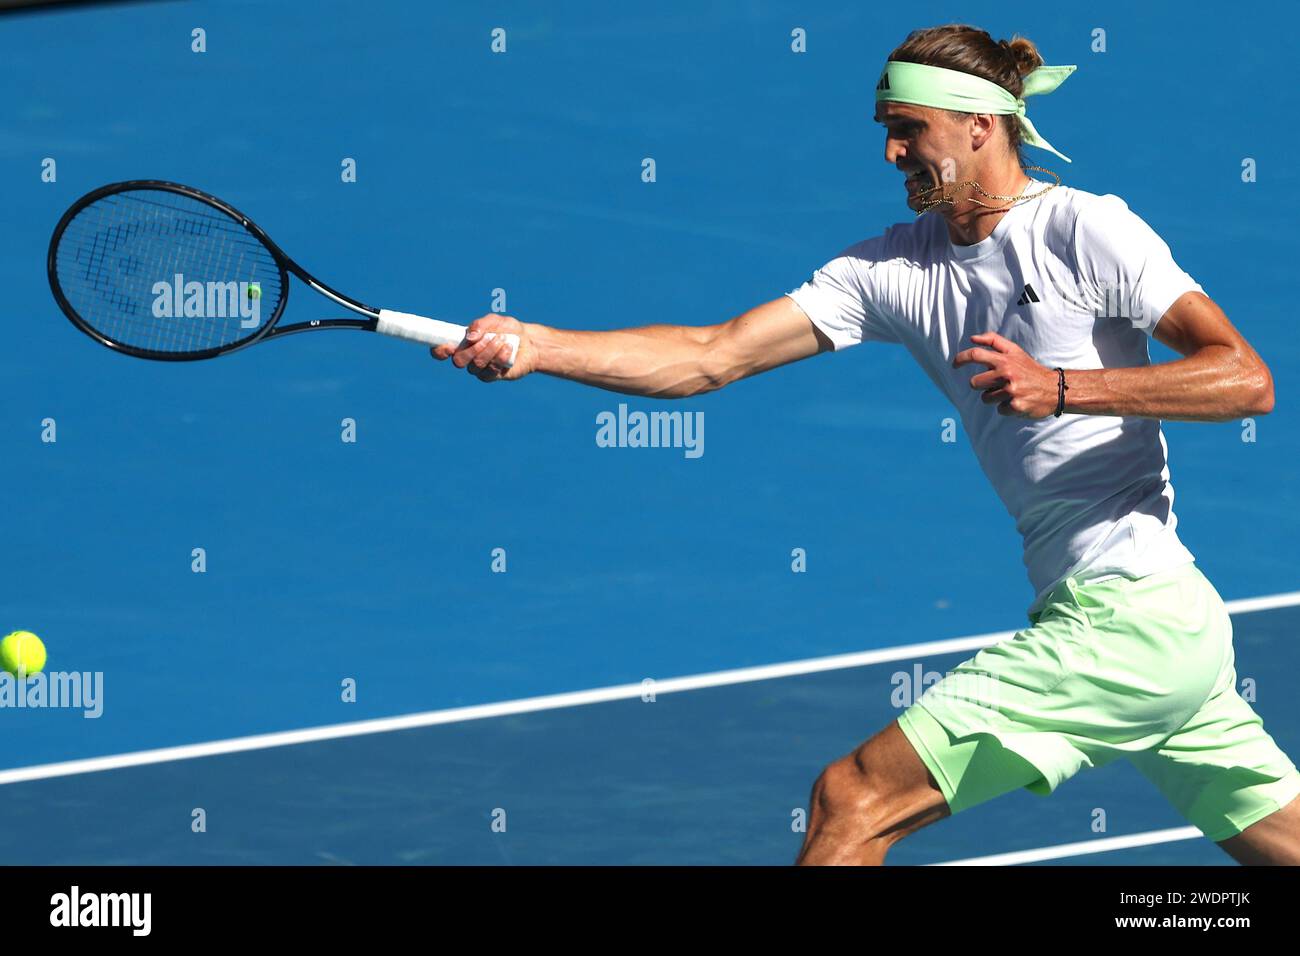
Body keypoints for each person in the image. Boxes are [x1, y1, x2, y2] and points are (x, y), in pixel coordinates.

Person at [433, 24, 1300, 865]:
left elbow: (1245, 377)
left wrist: (1066, 386)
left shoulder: (1084, 229)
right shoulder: (889, 271)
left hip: (1132, 621)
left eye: (907, 130)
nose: (891, 154)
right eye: (886, 133)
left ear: (979, 125)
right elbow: (710, 356)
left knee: (854, 800)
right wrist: (541, 346)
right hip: (1160, 630)